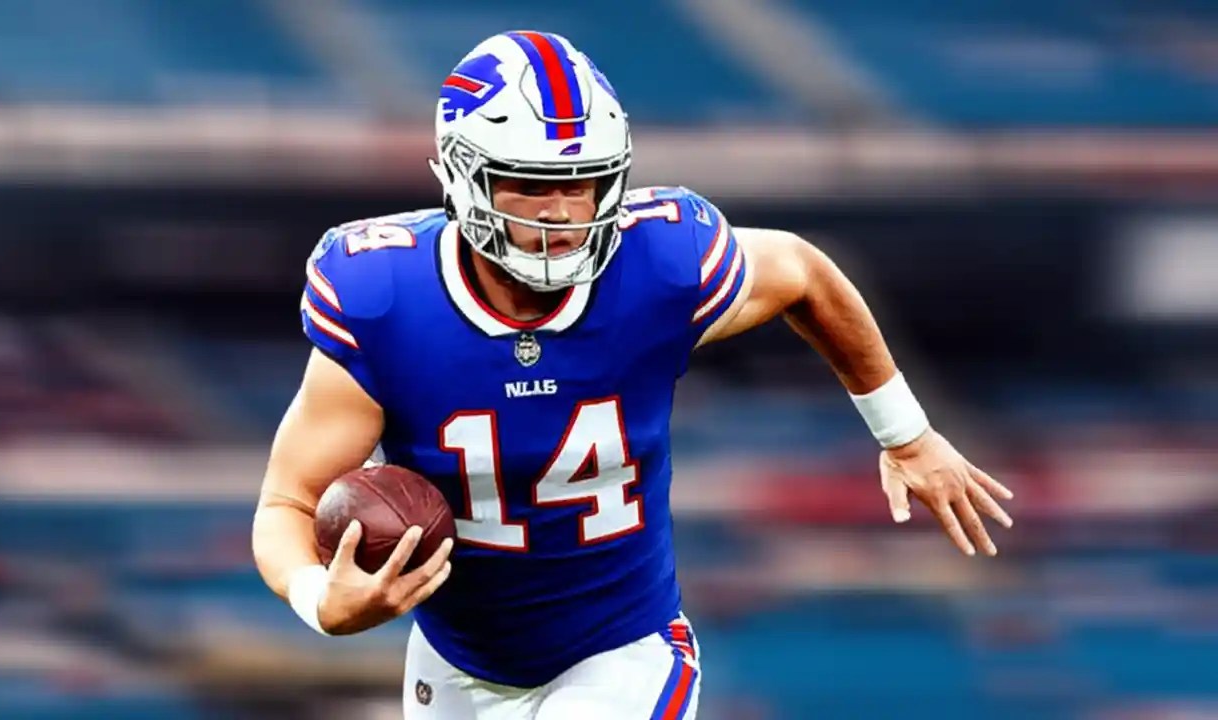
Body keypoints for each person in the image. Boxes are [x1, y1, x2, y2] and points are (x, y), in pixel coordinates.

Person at [252, 30, 1014, 720]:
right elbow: (288, 499)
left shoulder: (658, 266)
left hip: (621, 652)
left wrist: (905, 435)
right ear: (463, 177)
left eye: (580, 182)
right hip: (455, 665)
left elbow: (803, 271)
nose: (561, 210)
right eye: (531, 183)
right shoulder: (387, 299)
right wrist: (321, 601)